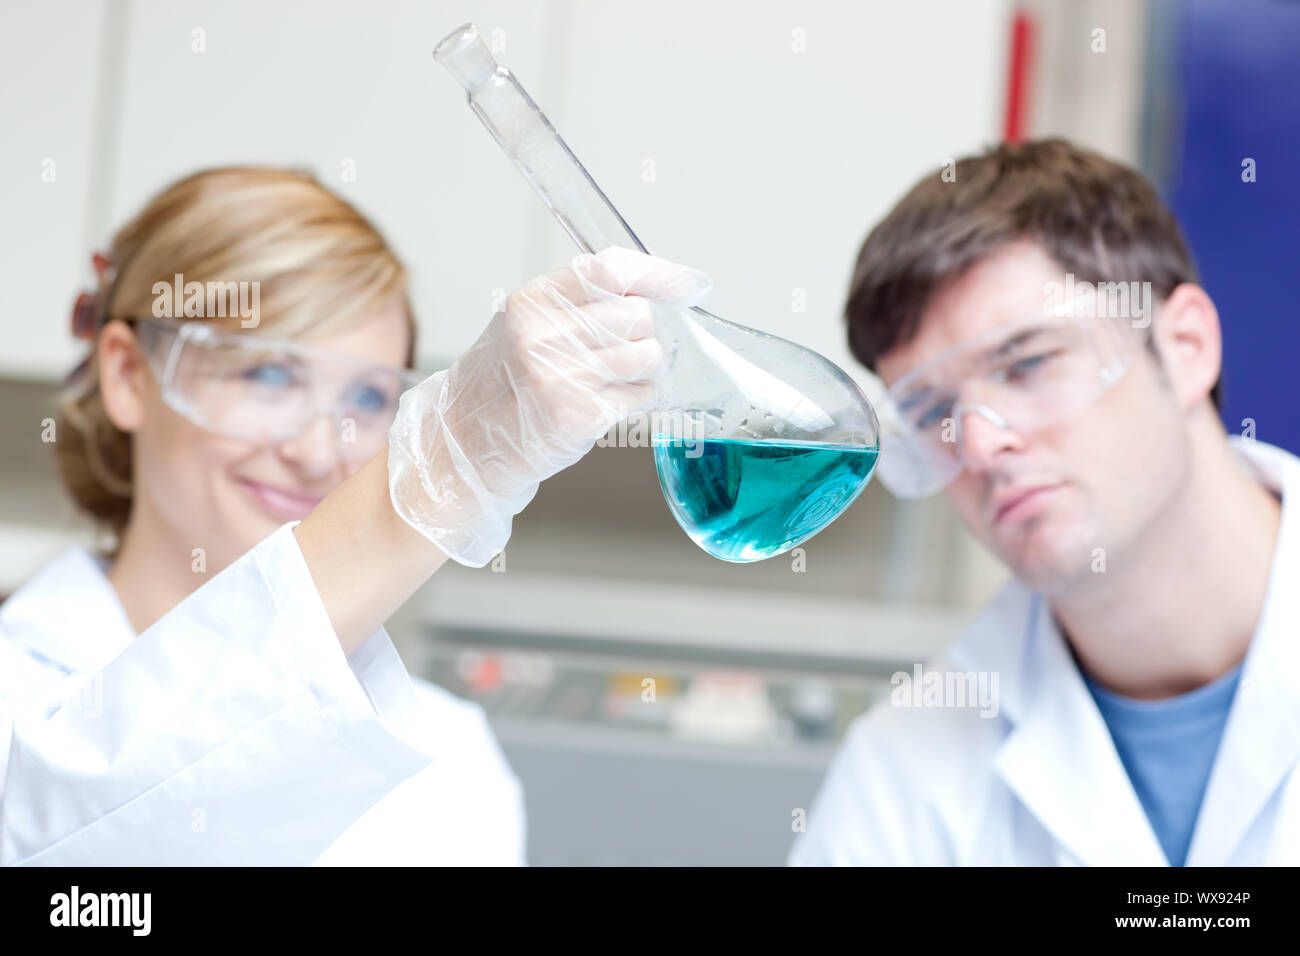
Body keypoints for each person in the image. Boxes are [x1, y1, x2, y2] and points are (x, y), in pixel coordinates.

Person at [0, 166, 711, 865]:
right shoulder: (18, 688)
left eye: (369, 399)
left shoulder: (456, 761)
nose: (317, 451)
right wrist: (444, 465)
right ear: (128, 375)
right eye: (268, 375)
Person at [790, 139, 1297, 866]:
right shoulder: (908, 766)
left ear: (1185, 346)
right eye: (933, 409)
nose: (980, 445)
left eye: (1026, 363)